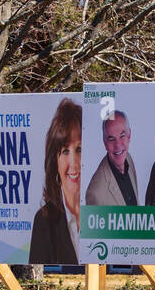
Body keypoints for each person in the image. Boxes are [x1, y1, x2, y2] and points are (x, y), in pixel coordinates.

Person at [29, 99, 82, 264]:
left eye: (80, 149)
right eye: (65, 151)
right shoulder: (44, 221)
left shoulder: (106, 213)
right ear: (55, 162)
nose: (73, 162)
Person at [85, 110, 139, 206]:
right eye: (111, 139)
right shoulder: (95, 193)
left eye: (122, 135)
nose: (118, 145)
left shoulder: (128, 158)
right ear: (105, 143)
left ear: (129, 135)